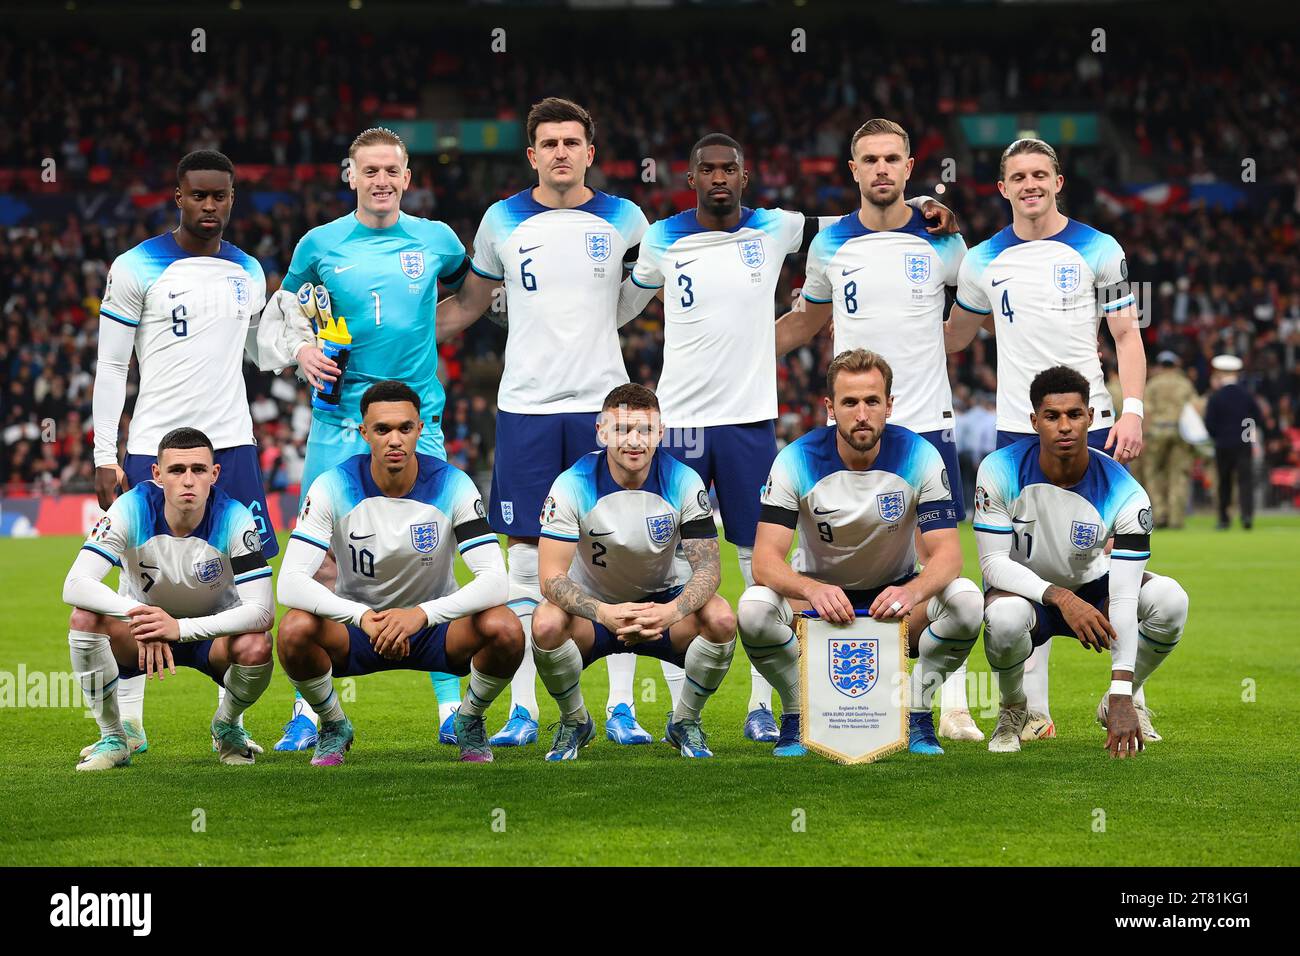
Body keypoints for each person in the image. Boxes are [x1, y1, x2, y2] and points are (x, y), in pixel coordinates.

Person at [620, 132, 959, 745]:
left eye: (730, 168)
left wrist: (929, 212)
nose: (719, 178)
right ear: (691, 176)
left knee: (757, 565)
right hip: (680, 418)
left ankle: (762, 704)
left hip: (750, 419)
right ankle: (673, 711)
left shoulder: (777, 228)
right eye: (708, 169)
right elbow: (622, 299)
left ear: (746, 177)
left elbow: (854, 218)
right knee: (657, 559)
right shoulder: (660, 236)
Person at [435, 98, 654, 748]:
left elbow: (634, 297)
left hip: (600, 408)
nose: (561, 151)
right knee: (527, 564)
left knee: (618, 559)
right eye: (549, 143)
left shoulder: (625, 218)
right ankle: (524, 710)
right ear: (532, 154)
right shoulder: (501, 218)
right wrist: (387, 336)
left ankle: (621, 708)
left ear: (590, 152)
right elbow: (470, 305)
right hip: (526, 405)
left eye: (572, 142)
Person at [773, 117, 982, 742]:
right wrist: (735, 349)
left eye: (893, 158)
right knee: (844, 551)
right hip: (859, 420)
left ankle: (951, 704)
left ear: (909, 166)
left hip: (927, 419)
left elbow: (968, 320)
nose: (882, 169)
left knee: (937, 563)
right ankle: (831, 691)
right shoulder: (830, 244)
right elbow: (806, 321)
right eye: (870, 159)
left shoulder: (945, 241)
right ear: (854, 170)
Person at [265, 127, 472, 751]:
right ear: (348, 175)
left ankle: (449, 708)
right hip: (336, 427)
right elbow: (286, 308)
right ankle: (314, 715)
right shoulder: (319, 245)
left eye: (392, 170)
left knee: (434, 561)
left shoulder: (437, 240)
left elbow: (473, 293)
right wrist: (301, 349)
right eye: (370, 170)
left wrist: (433, 333)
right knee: (321, 565)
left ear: (408, 177)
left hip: (420, 425)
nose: (381, 180)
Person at [946, 137, 1148, 742]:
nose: (1030, 184)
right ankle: (1033, 710)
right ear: (1002, 188)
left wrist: (1132, 411)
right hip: (1017, 425)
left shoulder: (1099, 248)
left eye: (1040, 174)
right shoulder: (982, 260)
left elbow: (1127, 337)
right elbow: (955, 337)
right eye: (1018, 176)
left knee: (1114, 560)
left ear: (1058, 181)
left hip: (1095, 420)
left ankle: (1128, 694)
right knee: (1024, 566)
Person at [92, 149, 275, 756]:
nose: (209, 206)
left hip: (233, 443)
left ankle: (229, 721)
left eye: (220, 195)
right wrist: (103, 452)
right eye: (198, 195)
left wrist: (302, 342)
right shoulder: (135, 266)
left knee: (243, 585)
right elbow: (113, 364)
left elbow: (259, 354)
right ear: (177, 196)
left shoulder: (249, 270)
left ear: (231, 198)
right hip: (152, 446)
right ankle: (130, 730)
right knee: (137, 582)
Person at [736, 349, 983, 757]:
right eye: (850, 402)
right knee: (752, 609)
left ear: (890, 404)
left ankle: (917, 711)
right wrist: (812, 590)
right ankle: (797, 715)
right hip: (816, 607)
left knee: (968, 601)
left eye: (872, 401)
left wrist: (913, 592)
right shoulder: (795, 459)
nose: (862, 413)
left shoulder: (920, 455)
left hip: (896, 603)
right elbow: (764, 561)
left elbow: (948, 556)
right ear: (831, 408)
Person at [275, 381, 523, 765]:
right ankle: (334, 724)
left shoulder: (453, 484)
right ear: (364, 433)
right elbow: (289, 582)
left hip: (434, 630)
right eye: (382, 429)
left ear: (420, 430)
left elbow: (495, 579)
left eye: (405, 428)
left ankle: (469, 720)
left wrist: (422, 615)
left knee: (505, 628)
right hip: (359, 628)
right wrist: (362, 617)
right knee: (293, 630)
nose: (395, 439)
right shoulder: (333, 485)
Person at [974, 366, 1188, 756]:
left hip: (1094, 588)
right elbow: (992, 566)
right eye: (1052, 416)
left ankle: (1122, 701)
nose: (1065, 426)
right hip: (1026, 592)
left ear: (1090, 417)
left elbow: (1122, 597)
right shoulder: (999, 468)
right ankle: (1012, 707)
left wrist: (1121, 689)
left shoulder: (1125, 491)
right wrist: (1059, 597)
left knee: (1171, 600)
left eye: (1074, 415)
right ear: (1034, 421)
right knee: (1002, 620)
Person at [533, 384, 736, 759]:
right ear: (602, 432)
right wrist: (602, 613)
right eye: (622, 429)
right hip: (594, 610)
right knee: (545, 623)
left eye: (644, 430)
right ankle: (575, 721)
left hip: (662, 605)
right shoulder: (572, 484)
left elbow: (708, 570)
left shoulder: (684, 481)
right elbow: (550, 577)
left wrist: (671, 612)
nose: (634, 441)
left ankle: (685, 721)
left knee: (722, 618)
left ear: (661, 433)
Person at [63, 427, 274, 770]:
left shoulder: (235, 517)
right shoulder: (130, 508)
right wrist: (140, 614)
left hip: (212, 638)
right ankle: (114, 737)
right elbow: (75, 584)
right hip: (143, 634)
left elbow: (263, 612)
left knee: (257, 645)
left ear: (214, 474)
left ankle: (227, 725)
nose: (188, 480)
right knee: (83, 618)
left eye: (198, 470)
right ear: (157, 474)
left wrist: (178, 628)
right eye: (177, 470)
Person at [1204, 354, 1262, 530]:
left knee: (1224, 482)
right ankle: (1246, 517)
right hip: (1243, 445)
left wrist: (1219, 436)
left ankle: (1224, 518)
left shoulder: (1215, 397)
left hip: (1223, 445)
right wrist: (1246, 434)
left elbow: (1209, 423)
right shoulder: (1246, 395)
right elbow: (1257, 417)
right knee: (1245, 481)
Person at [1143, 351, 1199, 529]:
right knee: (1179, 475)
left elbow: (1147, 412)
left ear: (1160, 365)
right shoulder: (1185, 384)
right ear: (1176, 365)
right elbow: (1195, 409)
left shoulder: (1152, 385)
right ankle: (1176, 519)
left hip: (1156, 432)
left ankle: (1159, 514)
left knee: (1153, 474)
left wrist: (1143, 436)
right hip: (1180, 433)